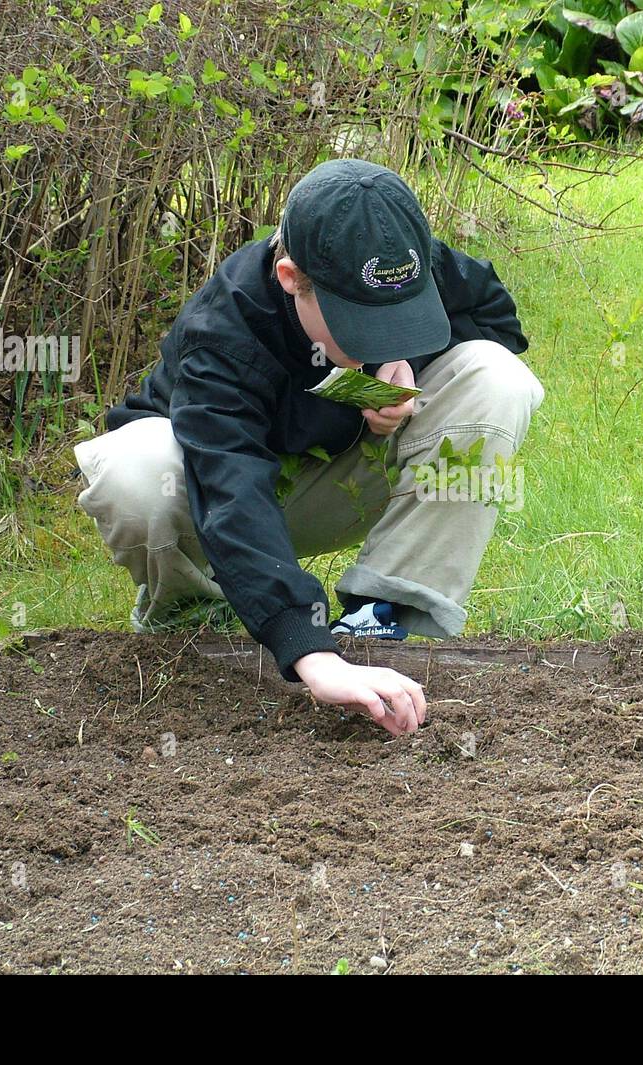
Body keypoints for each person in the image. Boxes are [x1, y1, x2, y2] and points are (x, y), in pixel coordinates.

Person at [73, 158, 544, 736]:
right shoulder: (224, 329)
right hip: (212, 503)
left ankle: (380, 612)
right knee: (134, 469)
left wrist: (402, 364)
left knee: (497, 375)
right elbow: (230, 484)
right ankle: (194, 615)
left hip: (341, 481)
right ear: (293, 277)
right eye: (360, 321)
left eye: (398, 315)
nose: (382, 332)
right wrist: (311, 654)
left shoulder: (398, 263)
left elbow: (497, 320)